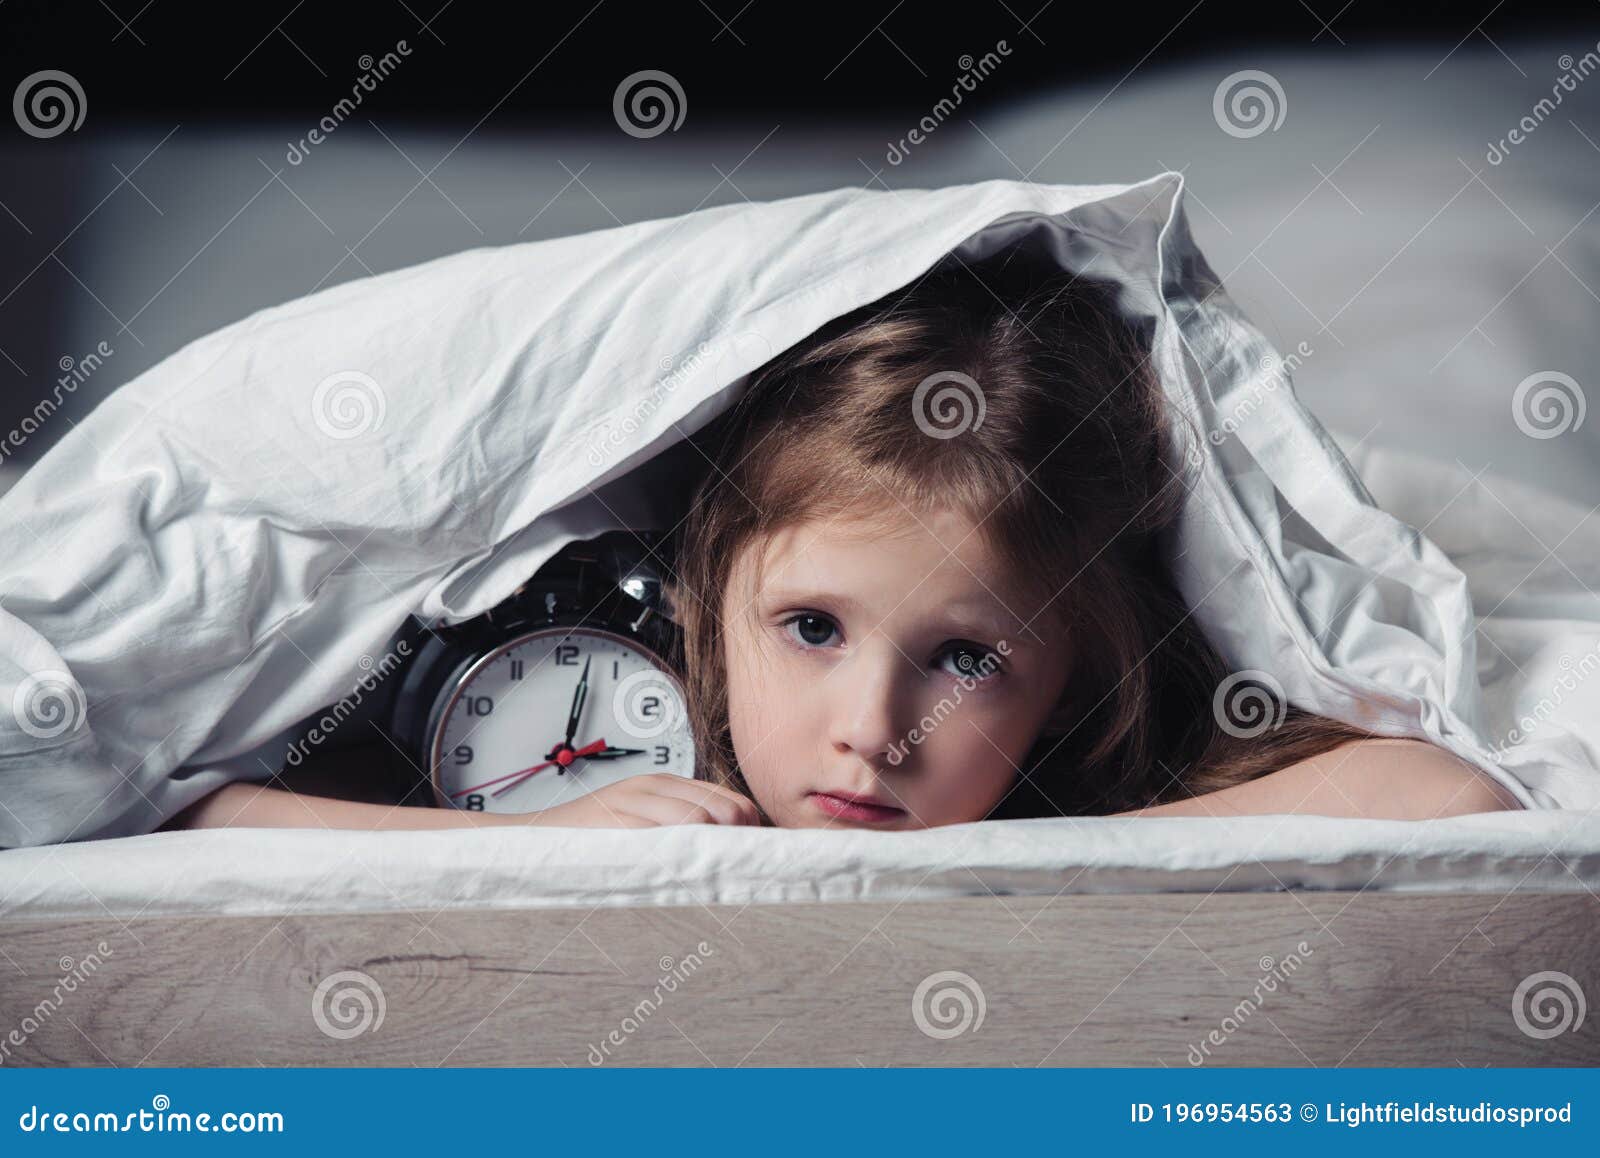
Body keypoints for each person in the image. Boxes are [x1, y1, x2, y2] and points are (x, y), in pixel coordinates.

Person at [172, 250, 1519, 831]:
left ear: (1075, 677)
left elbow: (1446, 790)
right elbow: (207, 808)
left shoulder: (1088, 778)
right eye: (811, 627)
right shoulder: (577, 710)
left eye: (970, 657)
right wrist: (540, 839)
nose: (872, 728)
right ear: (708, 594)